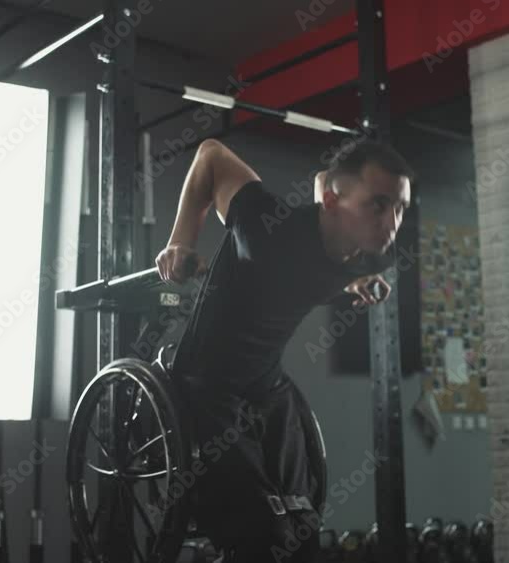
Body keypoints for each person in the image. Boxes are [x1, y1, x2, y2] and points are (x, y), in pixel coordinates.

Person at [156, 138, 415, 562]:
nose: (392, 222)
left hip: (265, 383)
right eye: (379, 204)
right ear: (333, 202)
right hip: (207, 381)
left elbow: (323, 181)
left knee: (303, 527)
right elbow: (211, 155)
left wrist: (352, 281)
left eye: (401, 207)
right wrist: (180, 241)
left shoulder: (373, 254)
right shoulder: (267, 230)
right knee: (264, 534)